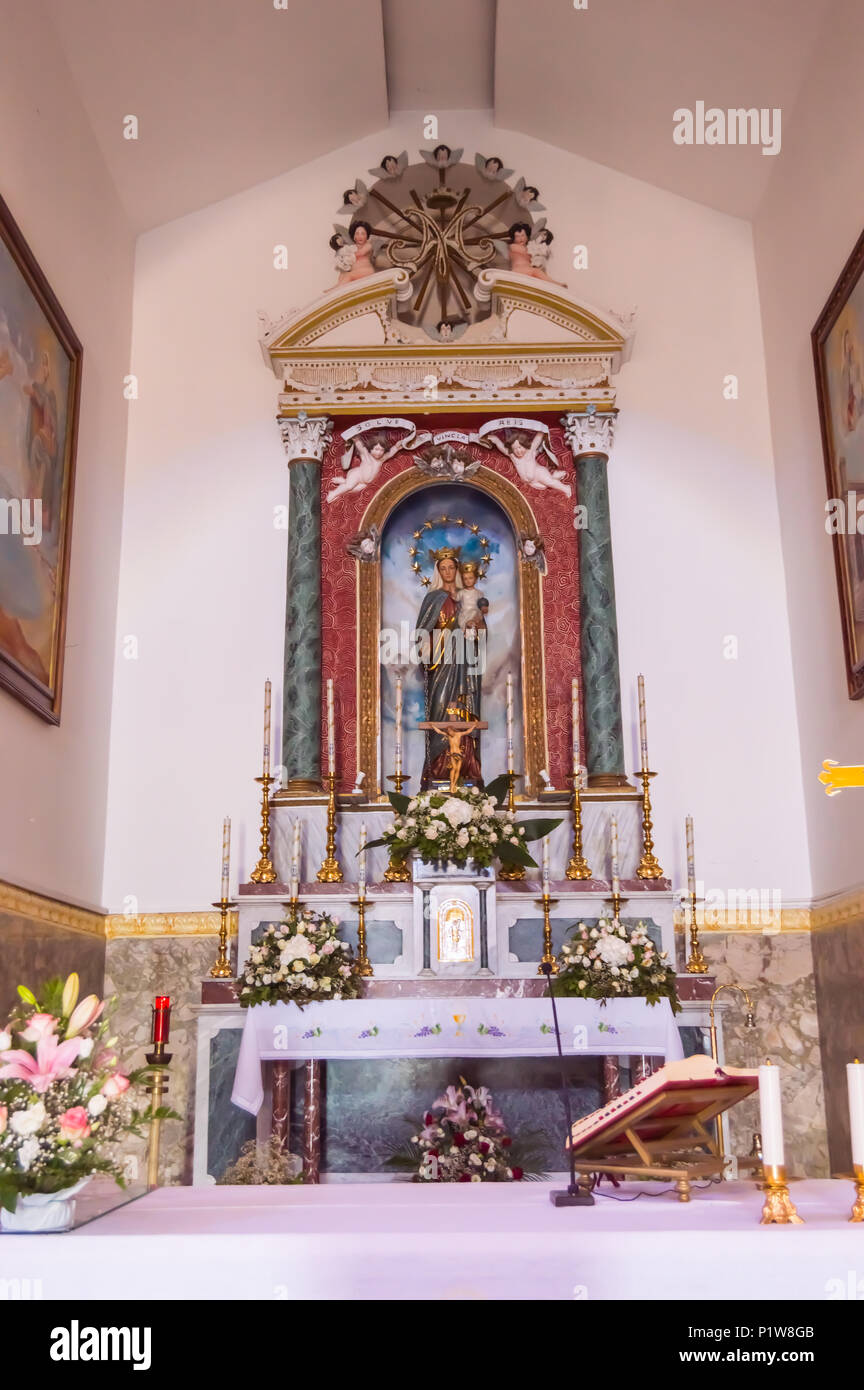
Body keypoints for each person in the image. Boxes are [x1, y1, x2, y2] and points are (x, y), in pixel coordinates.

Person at [486, 428, 573, 496]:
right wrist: (496, 440)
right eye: (515, 449)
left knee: (549, 482)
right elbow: (503, 448)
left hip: (539, 473)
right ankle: (555, 476)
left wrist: (541, 431)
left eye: (520, 447)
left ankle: (565, 488)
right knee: (544, 486)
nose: (518, 451)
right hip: (531, 482)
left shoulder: (530, 452)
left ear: (525, 445)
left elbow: (537, 440)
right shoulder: (513, 457)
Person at [325, 431, 403, 502]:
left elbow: (391, 453)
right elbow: (360, 446)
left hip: (364, 483)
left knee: (354, 489)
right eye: (376, 449)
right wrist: (356, 439)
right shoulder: (366, 455)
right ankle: (333, 493)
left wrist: (397, 447)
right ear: (371, 449)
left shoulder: (381, 459)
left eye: (381, 450)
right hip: (357, 474)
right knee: (349, 486)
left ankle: (343, 482)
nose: (379, 453)